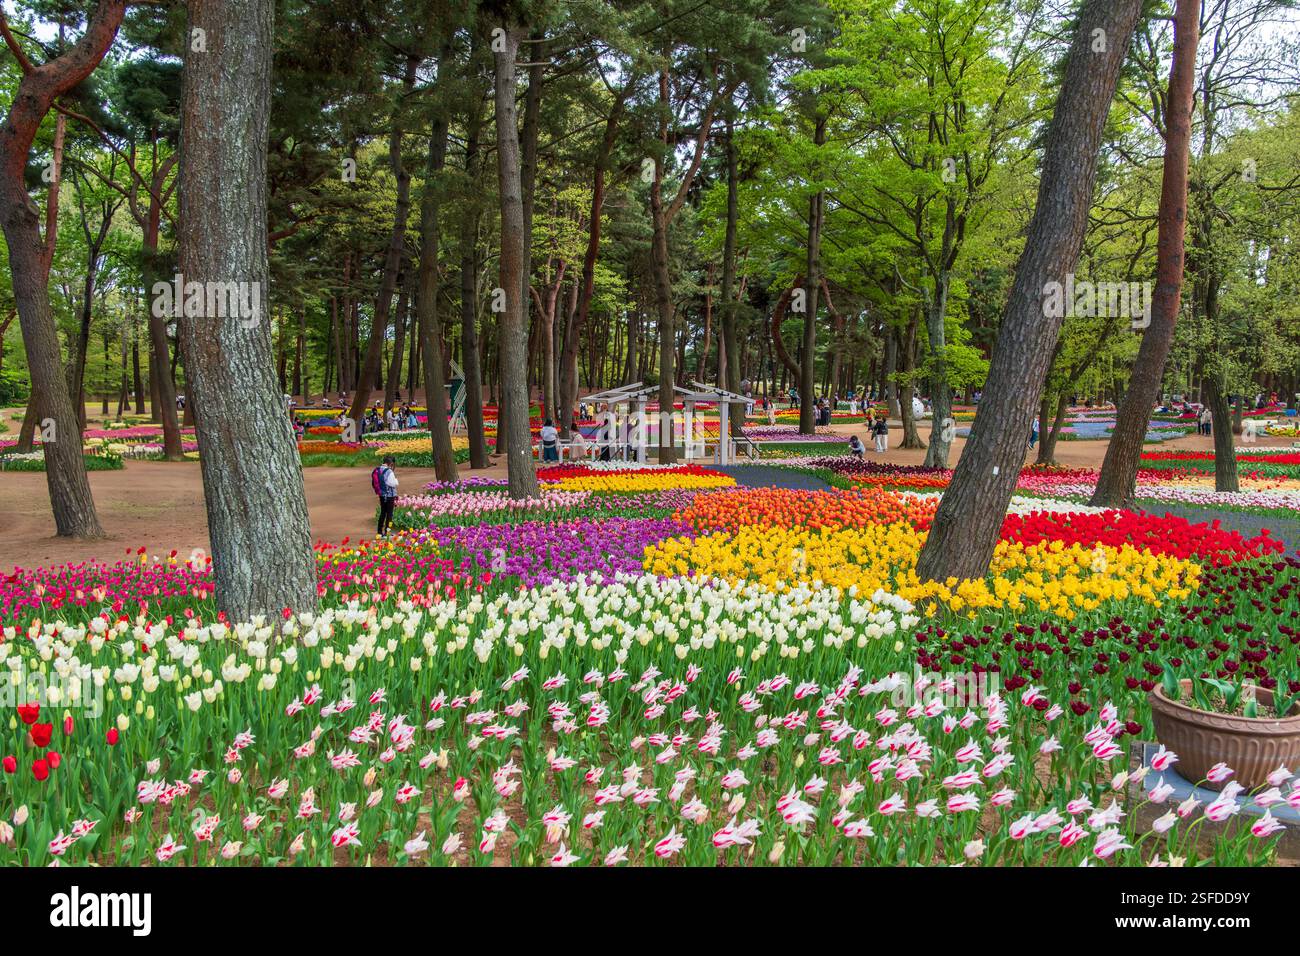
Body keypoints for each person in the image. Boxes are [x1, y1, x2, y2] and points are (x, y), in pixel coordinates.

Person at [373, 454, 399, 538]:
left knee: (383, 513)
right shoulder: (389, 471)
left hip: (382, 495)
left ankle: (379, 532)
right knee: (389, 514)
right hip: (389, 496)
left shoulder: (378, 469)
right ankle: (387, 533)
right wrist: (396, 480)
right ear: (391, 463)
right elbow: (393, 483)